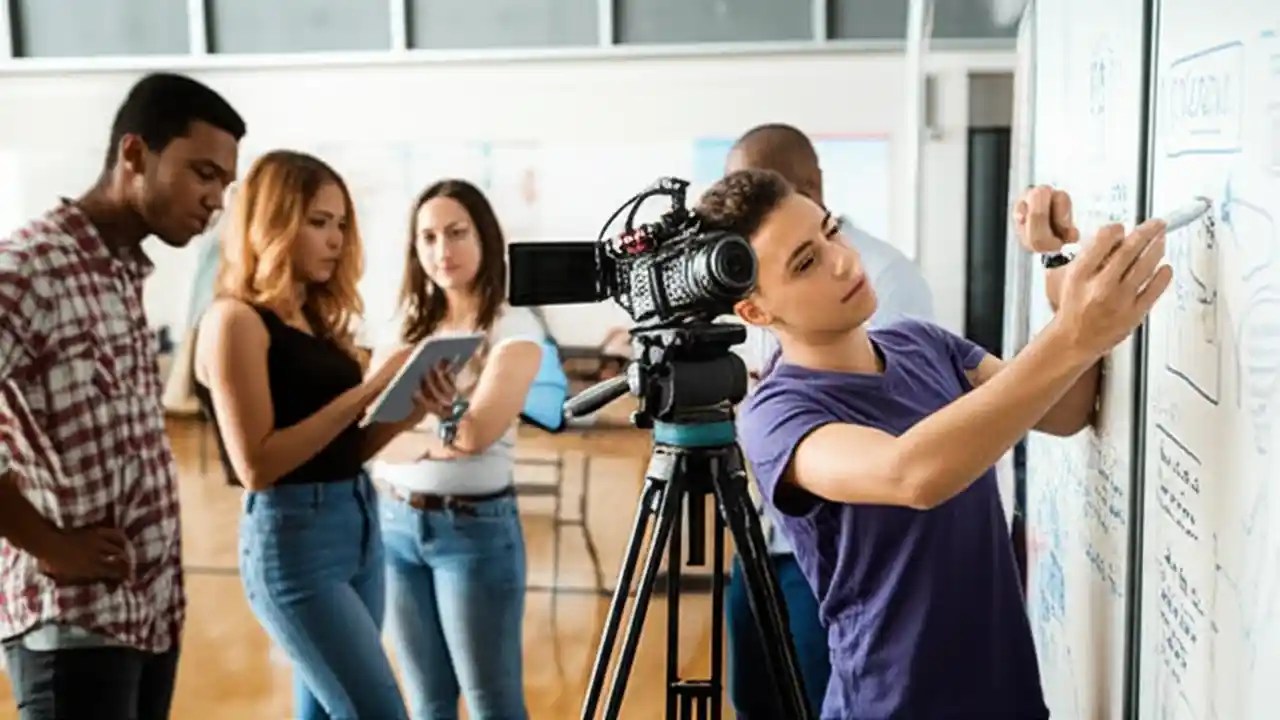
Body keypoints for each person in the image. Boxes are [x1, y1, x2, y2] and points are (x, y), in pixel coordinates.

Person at [698, 169, 1170, 718]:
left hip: (1007, 699)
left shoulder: (922, 343)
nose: (844, 261)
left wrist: (1058, 268)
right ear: (755, 311)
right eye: (805, 263)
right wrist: (1073, 333)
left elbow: (1064, 411)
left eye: (831, 232)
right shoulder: (776, 414)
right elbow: (911, 475)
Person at [0, 73, 244, 720]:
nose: (214, 200)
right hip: (72, 623)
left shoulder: (121, 273)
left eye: (224, 183)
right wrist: (49, 542)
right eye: (203, 174)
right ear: (134, 155)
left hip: (148, 614)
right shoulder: (28, 271)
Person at [192, 150, 453, 720]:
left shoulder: (315, 318)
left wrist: (407, 410)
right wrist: (366, 392)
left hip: (357, 523)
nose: (335, 239)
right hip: (293, 543)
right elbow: (257, 465)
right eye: (318, 222)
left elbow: (344, 450)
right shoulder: (234, 321)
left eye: (340, 223)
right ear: (273, 222)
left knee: (324, 709)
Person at [721, 122, 935, 717]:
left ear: (812, 186)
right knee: (757, 703)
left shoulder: (883, 277)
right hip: (760, 538)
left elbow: (907, 434)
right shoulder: (745, 284)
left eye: (767, 187)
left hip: (840, 554)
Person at [369, 178, 542, 720]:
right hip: (394, 525)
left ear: (484, 237)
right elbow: (370, 438)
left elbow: (476, 435)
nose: (442, 250)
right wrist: (438, 431)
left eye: (456, 233)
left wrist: (424, 430)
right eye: (428, 237)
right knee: (428, 702)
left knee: (493, 703)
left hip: (473, 532)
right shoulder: (405, 324)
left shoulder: (515, 326)